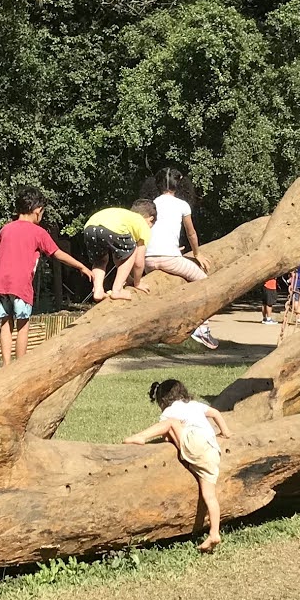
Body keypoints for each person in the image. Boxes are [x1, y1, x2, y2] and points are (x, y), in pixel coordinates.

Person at [0, 188, 99, 367]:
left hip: (0, 283)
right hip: (21, 285)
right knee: (23, 324)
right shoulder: (37, 232)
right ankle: (19, 365)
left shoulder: (5, 229)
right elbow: (57, 253)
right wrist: (81, 266)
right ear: (37, 210)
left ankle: (6, 365)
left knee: (5, 322)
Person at [122, 378, 231, 553]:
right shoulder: (195, 405)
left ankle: (140, 437)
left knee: (172, 423)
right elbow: (216, 413)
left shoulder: (170, 411)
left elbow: (168, 432)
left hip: (195, 444)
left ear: (162, 401)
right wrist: (225, 432)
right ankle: (214, 533)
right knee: (210, 496)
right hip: (212, 451)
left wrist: (169, 437)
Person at [141, 168, 220, 349]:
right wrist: (197, 254)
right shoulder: (182, 205)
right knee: (203, 282)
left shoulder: (151, 204)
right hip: (170, 259)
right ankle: (202, 328)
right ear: (179, 184)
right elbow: (191, 233)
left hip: (148, 260)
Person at [80, 198, 156, 300]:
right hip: (111, 230)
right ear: (150, 219)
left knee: (100, 260)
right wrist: (137, 283)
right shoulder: (143, 225)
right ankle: (117, 291)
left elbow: (119, 258)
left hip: (89, 227)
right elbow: (138, 262)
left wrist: (129, 279)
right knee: (132, 251)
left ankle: (98, 291)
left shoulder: (125, 216)